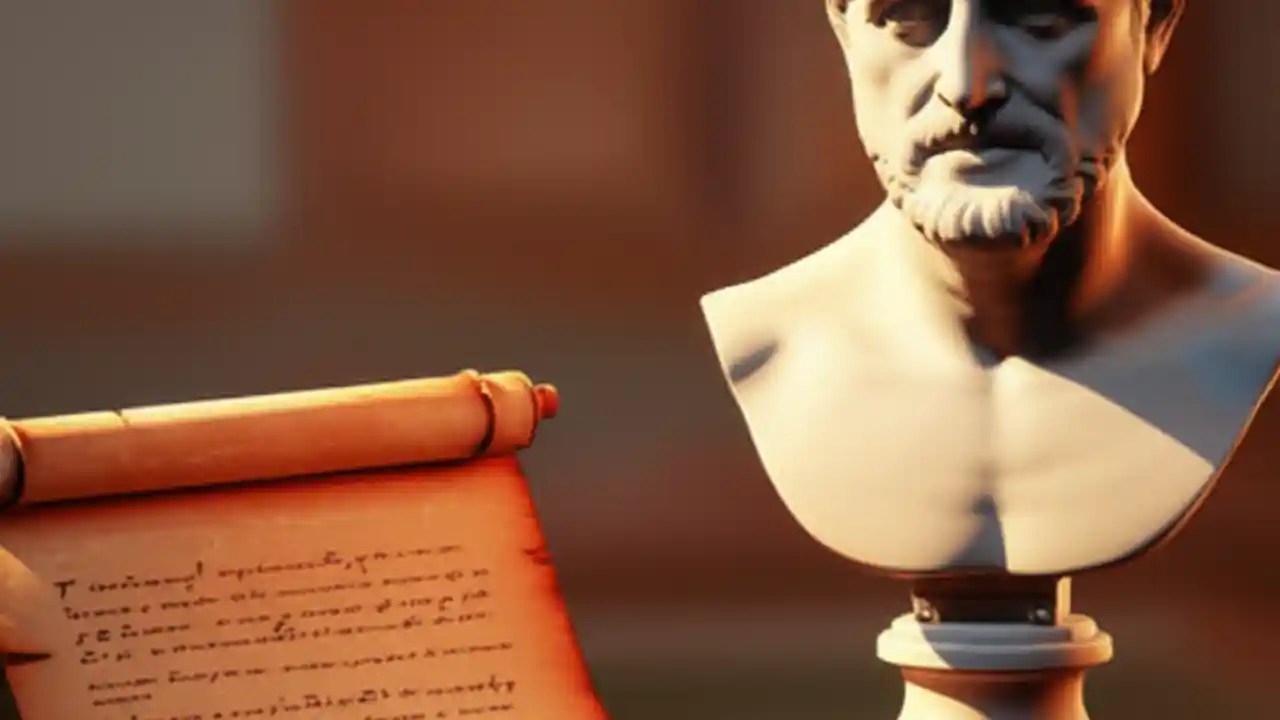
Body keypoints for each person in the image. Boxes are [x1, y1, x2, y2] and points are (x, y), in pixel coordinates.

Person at [702, 0, 1280, 575]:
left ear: (1154, 27)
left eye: (1040, 18)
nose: (967, 85)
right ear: (844, 31)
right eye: (906, 17)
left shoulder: (1256, 330)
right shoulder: (766, 346)